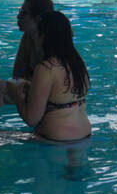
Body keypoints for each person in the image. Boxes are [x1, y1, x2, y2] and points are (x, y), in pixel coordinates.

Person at [8, 10, 91, 143]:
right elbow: (62, 94)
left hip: (54, 140)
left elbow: (31, 119)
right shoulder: (78, 62)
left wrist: (16, 95)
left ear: (44, 37)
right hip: (85, 136)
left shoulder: (46, 68)